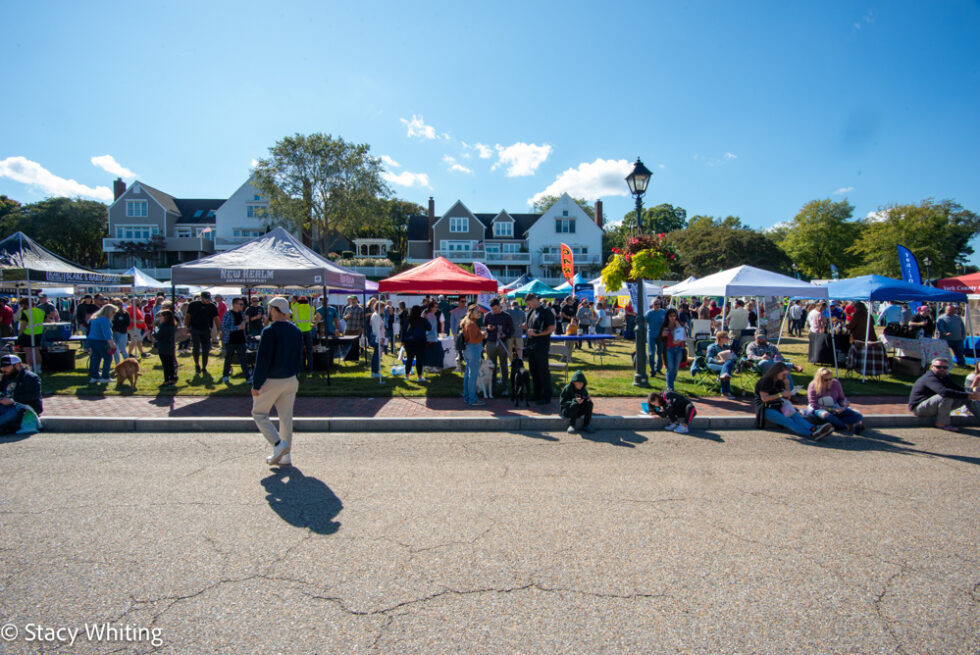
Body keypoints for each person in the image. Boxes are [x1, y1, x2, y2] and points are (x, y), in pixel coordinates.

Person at [252, 297, 303, 467]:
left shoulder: (269, 331)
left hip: (272, 379)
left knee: (259, 413)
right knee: (286, 418)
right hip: (291, 378)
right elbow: (299, 356)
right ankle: (285, 455)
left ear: (274, 310)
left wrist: (256, 384)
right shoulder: (295, 330)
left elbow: (263, 360)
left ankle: (277, 444)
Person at [754, 363, 834, 440]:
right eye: (784, 374)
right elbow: (764, 398)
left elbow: (788, 397)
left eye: (786, 375)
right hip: (765, 408)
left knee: (795, 416)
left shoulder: (780, 381)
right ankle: (812, 434)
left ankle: (813, 428)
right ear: (776, 372)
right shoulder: (764, 381)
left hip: (778, 406)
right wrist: (780, 394)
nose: (785, 377)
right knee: (788, 421)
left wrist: (787, 385)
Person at [908, 357, 980, 432]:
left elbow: (957, 388)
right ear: (932, 367)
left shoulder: (944, 377)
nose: (942, 369)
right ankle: (942, 423)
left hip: (934, 406)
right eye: (938, 367)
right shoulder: (930, 378)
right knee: (947, 396)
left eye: (945, 367)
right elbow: (944, 392)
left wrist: (971, 392)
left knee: (968, 399)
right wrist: (968, 395)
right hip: (920, 409)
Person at [804, 368, 864, 434]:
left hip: (835, 406)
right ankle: (847, 425)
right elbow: (814, 404)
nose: (829, 382)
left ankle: (837, 425)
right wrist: (831, 409)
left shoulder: (836, 383)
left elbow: (841, 398)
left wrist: (844, 403)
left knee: (858, 416)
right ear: (819, 380)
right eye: (825, 380)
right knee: (825, 414)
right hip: (820, 409)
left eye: (830, 379)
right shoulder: (813, 385)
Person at [523, 293, 555, 405]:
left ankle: (546, 396)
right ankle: (536, 393)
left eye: (529, 303)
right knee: (534, 371)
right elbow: (531, 326)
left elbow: (551, 328)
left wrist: (538, 334)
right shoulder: (531, 312)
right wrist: (526, 327)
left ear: (534, 300)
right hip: (531, 345)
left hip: (541, 345)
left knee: (543, 371)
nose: (528, 306)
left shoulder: (546, 311)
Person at [484, 298, 514, 395]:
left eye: (496, 309)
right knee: (491, 366)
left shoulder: (507, 316)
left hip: (502, 343)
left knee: (503, 365)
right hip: (491, 343)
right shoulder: (488, 315)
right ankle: (492, 387)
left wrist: (505, 335)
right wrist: (488, 329)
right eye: (492, 309)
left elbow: (512, 330)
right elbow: (484, 328)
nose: (494, 311)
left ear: (500, 306)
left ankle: (505, 387)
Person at [185, 291, 220, 375]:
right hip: (195, 328)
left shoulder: (212, 306)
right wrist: (186, 327)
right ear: (201, 298)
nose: (208, 300)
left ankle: (204, 367)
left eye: (209, 299)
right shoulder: (193, 304)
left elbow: (216, 318)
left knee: (206, 348)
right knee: (196, 347)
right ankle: (197, 364)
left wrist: (219, 328)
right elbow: (188, 316)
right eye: (206, 299)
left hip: (206, 329)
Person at [459, 305, 487, 406]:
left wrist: (481, 334)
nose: (479, 313)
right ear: (471, 313)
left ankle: (467, 397)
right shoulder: (471, 323)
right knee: (473, 375)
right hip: (473, 349)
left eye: (479, 311)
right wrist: (483, 334)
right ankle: (472, 399)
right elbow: (474, 340)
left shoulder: (469, 322)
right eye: (477, 311)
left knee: (468, 374)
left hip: (468, 349)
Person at [220, 297, 251, 384]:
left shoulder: (242, 314)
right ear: (235, 304)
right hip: (230, 341)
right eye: (240, 304)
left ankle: (248, 377)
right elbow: (223, 327)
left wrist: (245, 323)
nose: (242, 306)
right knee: (228, 359)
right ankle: (225, 376)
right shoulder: (228, 314)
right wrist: (237, 327)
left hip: (241, 340)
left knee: (243, 360)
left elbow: (244, 326)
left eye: (243, 304)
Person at [87, 303, 116, 384]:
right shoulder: (104, 320)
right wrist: (111, 343)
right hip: (101, 341)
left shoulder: (94, 318)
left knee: (95, 359)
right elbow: (106, 332)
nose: (113, 315)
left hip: (92, 340)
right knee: (108, 359)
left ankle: (94, 377)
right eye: (113, 313)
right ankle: (105, 377)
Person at [706, 331, 737, 399]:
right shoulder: (712, 347)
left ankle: (724, 392)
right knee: (726, 369)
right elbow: (708, 359)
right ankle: (726, 392)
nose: (727, 339)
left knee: (728, 364)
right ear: (720, 338)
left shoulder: (727, 347)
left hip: (725, 364)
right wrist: (718, 361)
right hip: (713, 364)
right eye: (726, 337)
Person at [661, 307, 686, 393]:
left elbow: (683, 336)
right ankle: (670, 388)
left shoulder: (679, 325)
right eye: (670, 316)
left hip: (678, 348)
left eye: (674, 316)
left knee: (675, 369)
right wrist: (663, 335)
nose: (672, 318)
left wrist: (678, 326)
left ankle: (671, 381)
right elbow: (660, 338)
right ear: (667, 316)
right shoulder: (664, 325)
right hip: (668, 349)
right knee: (670, 368)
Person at [402, 305, 429, 382]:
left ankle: (407, 376)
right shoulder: (423, 320)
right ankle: (419, 377)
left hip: (409, 342)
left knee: (409, 359)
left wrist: (402, 341)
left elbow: (403, 331)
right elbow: (429, 327)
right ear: (420, 312)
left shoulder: (408, 320)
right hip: (420, 342)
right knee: (419, 360)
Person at [290, 296, 316, 375]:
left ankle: (300, 370)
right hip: (308, 330)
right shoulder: (312, 308)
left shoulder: (295, 307)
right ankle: (310, 369)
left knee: (299, 351)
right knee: (309, 351)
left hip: (298, 331)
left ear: (298, 302)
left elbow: (292, 305)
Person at [155, 308, 178, 386]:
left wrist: (153, 333)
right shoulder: (172, 325)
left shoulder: (164, 325)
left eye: (161, 316)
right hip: (170, 346)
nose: (160, 317)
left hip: (164, 347)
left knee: (165, 365)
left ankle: (166, 380)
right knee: (170, 364)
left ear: (165, 317)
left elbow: (159, 336)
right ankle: (171, 379)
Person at [645, 298, 666, 376]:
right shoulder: (649, 313)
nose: (657, 306)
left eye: (658, 304)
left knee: (660, 353)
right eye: (655, 304)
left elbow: (666, 323)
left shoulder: (663, 312)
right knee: (651, 353)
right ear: (652, 305)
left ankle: (658, 368)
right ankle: (652, 369)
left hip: (660, 336)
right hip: (651, 336)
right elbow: (644, 322)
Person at [366, 298, 386, 380]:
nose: (384, 309)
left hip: (377, 336)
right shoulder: (376, 316)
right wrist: (381, 338)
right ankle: (374, 372)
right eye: (383, 308)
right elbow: (377, 329)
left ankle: (376, 371)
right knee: (376, 356)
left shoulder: (376, 315)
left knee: (377, 356)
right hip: (377, 337)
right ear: (380, 307)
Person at [110, 299, 131, 365]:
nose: (117, 306)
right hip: (113, 333)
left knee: (123, 349)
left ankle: (128, 364)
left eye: (118, 304)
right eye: (115, 304)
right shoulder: (110, 314)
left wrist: (119, 328)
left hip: (122, 333)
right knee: (115, 350)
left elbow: (127, 323)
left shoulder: (125, 313)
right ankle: (118, 365)